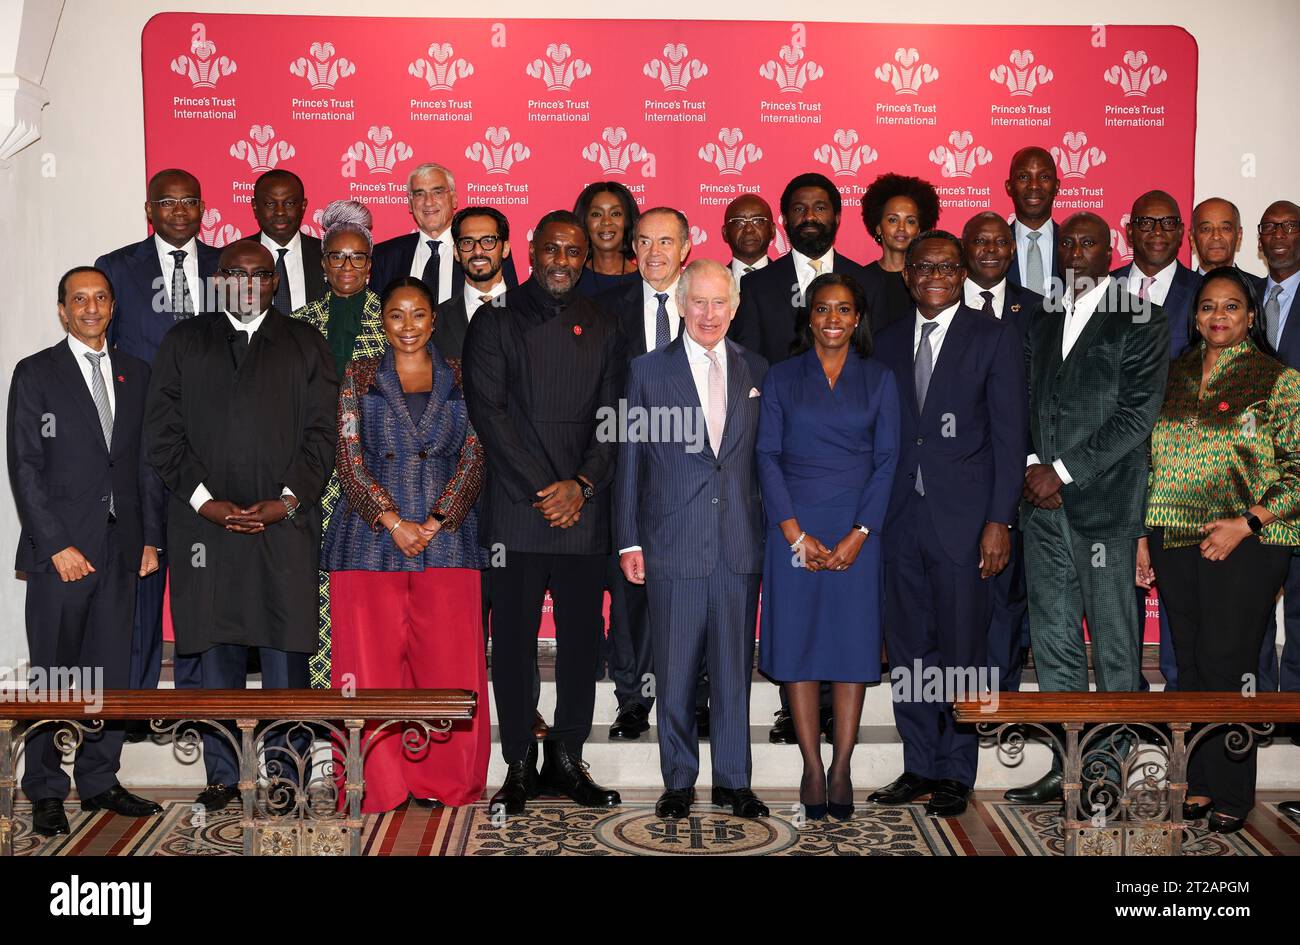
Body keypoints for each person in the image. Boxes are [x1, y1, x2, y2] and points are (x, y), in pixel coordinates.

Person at [145, 241, 337, 812]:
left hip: (284, 526)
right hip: (206, 530)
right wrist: (207, 502)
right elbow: (162, 432)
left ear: (275, 283)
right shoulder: (184, 342)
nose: (248, 283)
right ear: (218, 279)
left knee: (286, 657)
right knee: (214, 654)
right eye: (235, 274)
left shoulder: (306, 343)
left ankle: (286, 773)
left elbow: (323, 435)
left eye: (259, 275)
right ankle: (224, 776)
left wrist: (285, 500)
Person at [463, 210, 625, 815]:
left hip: (583, 508)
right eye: (552, 250)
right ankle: (519, 765)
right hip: (517, 509)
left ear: (586, 258)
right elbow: (491, 416)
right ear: (530, 251)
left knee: (583, 641)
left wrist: (581, 484)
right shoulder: (495, 320)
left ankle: (566, 756)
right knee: (511, 644)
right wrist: (546, 489)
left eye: (573, 252)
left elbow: (615, 415)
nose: (562, 261)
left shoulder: (605, 324)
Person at [1006, 212, 1169, 805]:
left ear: (1111, 249)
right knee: (1052, 640)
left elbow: (1136, 415)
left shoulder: (1142, 315)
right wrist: (1030, 463)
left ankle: (1113, 767)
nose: (1075, 252)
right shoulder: (1044, 314)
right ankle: (1068, 764)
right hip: (1040, 506)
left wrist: (1064, 471)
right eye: (1067, 243)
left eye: (1088, 243)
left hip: (1103, 506)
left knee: (1116, 642)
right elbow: (1026, 397)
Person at [1140, 266, 1300, 832]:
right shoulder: (1174, 372)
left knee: (1228, 666)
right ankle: (1199, 785)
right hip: (1172, 537)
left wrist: (1246, 523)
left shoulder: (1277, 380)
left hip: (1247, 546)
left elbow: (1297, 475)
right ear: (1196, 314)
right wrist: (1142, 536)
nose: (1218, 317)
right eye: (1208, 307)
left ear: (1251, 316)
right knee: (1191, 665)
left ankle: (1233, 790)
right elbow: (1151, 459)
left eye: (1231, 307)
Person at [871, 232, 1025, 816]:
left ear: (962, 273)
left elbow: (1011, 441)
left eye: (947, 265)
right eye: (923, 266)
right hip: (899, 522)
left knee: (962, 651)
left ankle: (957, 770)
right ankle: (919, 765)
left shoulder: (994, 337)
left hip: (966, 527)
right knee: (910, 651)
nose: (935, 274)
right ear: (907, 275)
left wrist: (998, 522)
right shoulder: (884, 343)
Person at [321, 277, 489, 812]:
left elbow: (476, 453)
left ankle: (445, 779)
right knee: (368, 672)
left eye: (418, 314)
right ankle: (376, 784)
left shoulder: (464, 378)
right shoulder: (356, 376)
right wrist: (392, 520)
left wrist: (438, 518)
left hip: (448, 543)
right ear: (383, 322)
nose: (409, 325)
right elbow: (347, 457)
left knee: (449, 667)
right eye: (397, 315)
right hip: (369, 544)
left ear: (433, 321)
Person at [7, 267, 164, 835]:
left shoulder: (136, 372)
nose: (91, 307)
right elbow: (24, 469)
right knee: (54, 674)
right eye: (79, 299)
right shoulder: (36, 373)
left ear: (114, 305)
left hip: (123, 552)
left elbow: (145, 462)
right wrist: (57, 547)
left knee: (110, 672)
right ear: (62, 310)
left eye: (100, 297)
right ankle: (45, 788)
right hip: (62, 556)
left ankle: (100, 780)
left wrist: (150, 537)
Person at [617, 259, 770, 819]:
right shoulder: (647, 371)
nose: (709, 314)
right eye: (698, 302)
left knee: (733, 672)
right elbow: (630, 462)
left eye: (720, 303)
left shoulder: (757, 369)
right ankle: (678, 779)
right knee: (676, 671)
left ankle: (735, 781)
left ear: (735, 306)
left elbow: (764, 462)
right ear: (680, 305)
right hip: (671, 543)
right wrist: (629, 540)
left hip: (737, 544)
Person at [756, 271, 900, 819]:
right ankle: (811, 765)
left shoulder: (880, 378)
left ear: (857, 318)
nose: (832, 319)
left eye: (843, 310)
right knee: (798, 645)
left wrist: (861, 532)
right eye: (822, 309)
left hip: (858, 530)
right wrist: (793, 533)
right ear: (808, 317)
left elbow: (888, 459)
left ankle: (842, 765)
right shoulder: (782, 376)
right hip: (794, 527)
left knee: (851, 646)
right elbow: (766, 455)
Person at [95, 168, 219, 711]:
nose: (177, 210)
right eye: (166, 202)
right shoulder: (117, 269)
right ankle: (137, 707)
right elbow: (107, 357)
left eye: (188, 200)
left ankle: (197, 704)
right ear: (150, 210)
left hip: (214, 451)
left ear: (202, 208)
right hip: (141, 453)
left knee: (203, 583)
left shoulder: (229, 267)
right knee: (142, 582)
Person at [596, 208, 693, 742]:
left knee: (694, 589)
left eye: (665, 241)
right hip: (625, 467)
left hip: (698, 473)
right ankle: (632, 697)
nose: (654, 252)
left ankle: (694, 695)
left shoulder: (708, 301)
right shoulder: (608, 307)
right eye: (645, 241)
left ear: (686, 245)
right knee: (631, 587)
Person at [290, 199, 387, 689]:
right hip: (312, 479)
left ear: (370, 266)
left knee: (367, 591)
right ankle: (320, 700)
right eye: (335, 257)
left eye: (356, 258)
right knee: (315, 589)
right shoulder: (296, 323)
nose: (346, 266)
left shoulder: (393, 323)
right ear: (323, 264)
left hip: (374, 479)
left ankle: (367, 691)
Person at [1111, 190, 1200, 690]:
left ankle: (1180, 702)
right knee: (1115, 580)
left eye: (1168, 222)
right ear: (1130, 230)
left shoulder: (1205, 291)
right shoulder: (1102, 289)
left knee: (1181, 586)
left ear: (1181, 231)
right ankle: (1126, 700)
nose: (1158, 231)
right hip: (1115, 459)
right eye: (1146, 221)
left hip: (1181, 461)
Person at [961, 212, 1045, 692]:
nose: (990, 250)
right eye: (980, 241)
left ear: (1013, 250)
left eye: (999, 242)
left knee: (1008, 595)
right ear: (965, 248)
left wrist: (1033, 463)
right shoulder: (942, 305)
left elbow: (1047, 393)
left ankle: (1001, 701)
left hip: (1022, 474)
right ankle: (962, 699)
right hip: (957, 475)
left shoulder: (1038, 309)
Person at [728, 172, 875, 365]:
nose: (809, 216)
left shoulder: (868, 282)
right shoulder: (756, 286)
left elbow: (873, 357)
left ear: (837, 217)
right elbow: (748, 363)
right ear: (785, 219)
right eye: (799, 209)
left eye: (820, 208)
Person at [1256, 200, 1300, 697]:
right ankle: (1259, 705)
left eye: (1289, 226)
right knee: (1254, 606)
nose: (1279, 235)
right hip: (1248, 481)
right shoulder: (1243, 293)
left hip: (1297, 472)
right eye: (1270, 227)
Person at [369, 162, 518, 303]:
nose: (428, 202)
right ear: (410, 203)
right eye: (419, 194)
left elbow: (509, 308)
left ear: (453, 199)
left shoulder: (487, 251)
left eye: (437, 192)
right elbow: (374, 320)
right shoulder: (384, 256)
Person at [860, 173, 941, 325]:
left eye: (910, 221)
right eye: (893, 220)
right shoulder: (860, 280)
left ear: (919, 230)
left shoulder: (931, 279)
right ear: (878, 227)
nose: (901, 228)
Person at [434, 207, 512, 359]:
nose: (477, 251)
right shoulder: (436, 320)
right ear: (456, 252)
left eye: (488, 241)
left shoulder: (531, 312)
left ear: (505, 249)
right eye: (467, 242)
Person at [244, 168, 325, 314]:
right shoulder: (233, 258)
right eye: (270, 204)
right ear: (255, 206)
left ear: (303, 206)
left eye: (289, 203)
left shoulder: (327, 256)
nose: (280, 212)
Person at [1004, 147, 1064, 298]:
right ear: (1009, 186)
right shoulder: (992, 250)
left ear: (1057, 186)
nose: (1034, 186)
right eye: (1024, 177)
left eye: (1044, 177)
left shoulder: (1073, 247)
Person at [573, 180, 641, 296]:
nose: (606, 222)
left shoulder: (645, 280)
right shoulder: (572, 279)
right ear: (584, 221)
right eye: (596, 214)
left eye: (615, 214)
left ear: (628, 220)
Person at [1190, 198, 1262, 290]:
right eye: (1206, 229)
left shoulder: (1259, 290)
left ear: (1239, 235)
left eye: (1225, 228)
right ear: (1192, 238)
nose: (1216, 236)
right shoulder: (1179, 292)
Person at [721, 194, 774, 285]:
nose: (748, 229)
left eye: (758, 221)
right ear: (725, 232)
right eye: (739, 222)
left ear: (772, 230)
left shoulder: (791, 280)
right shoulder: (714, 283)